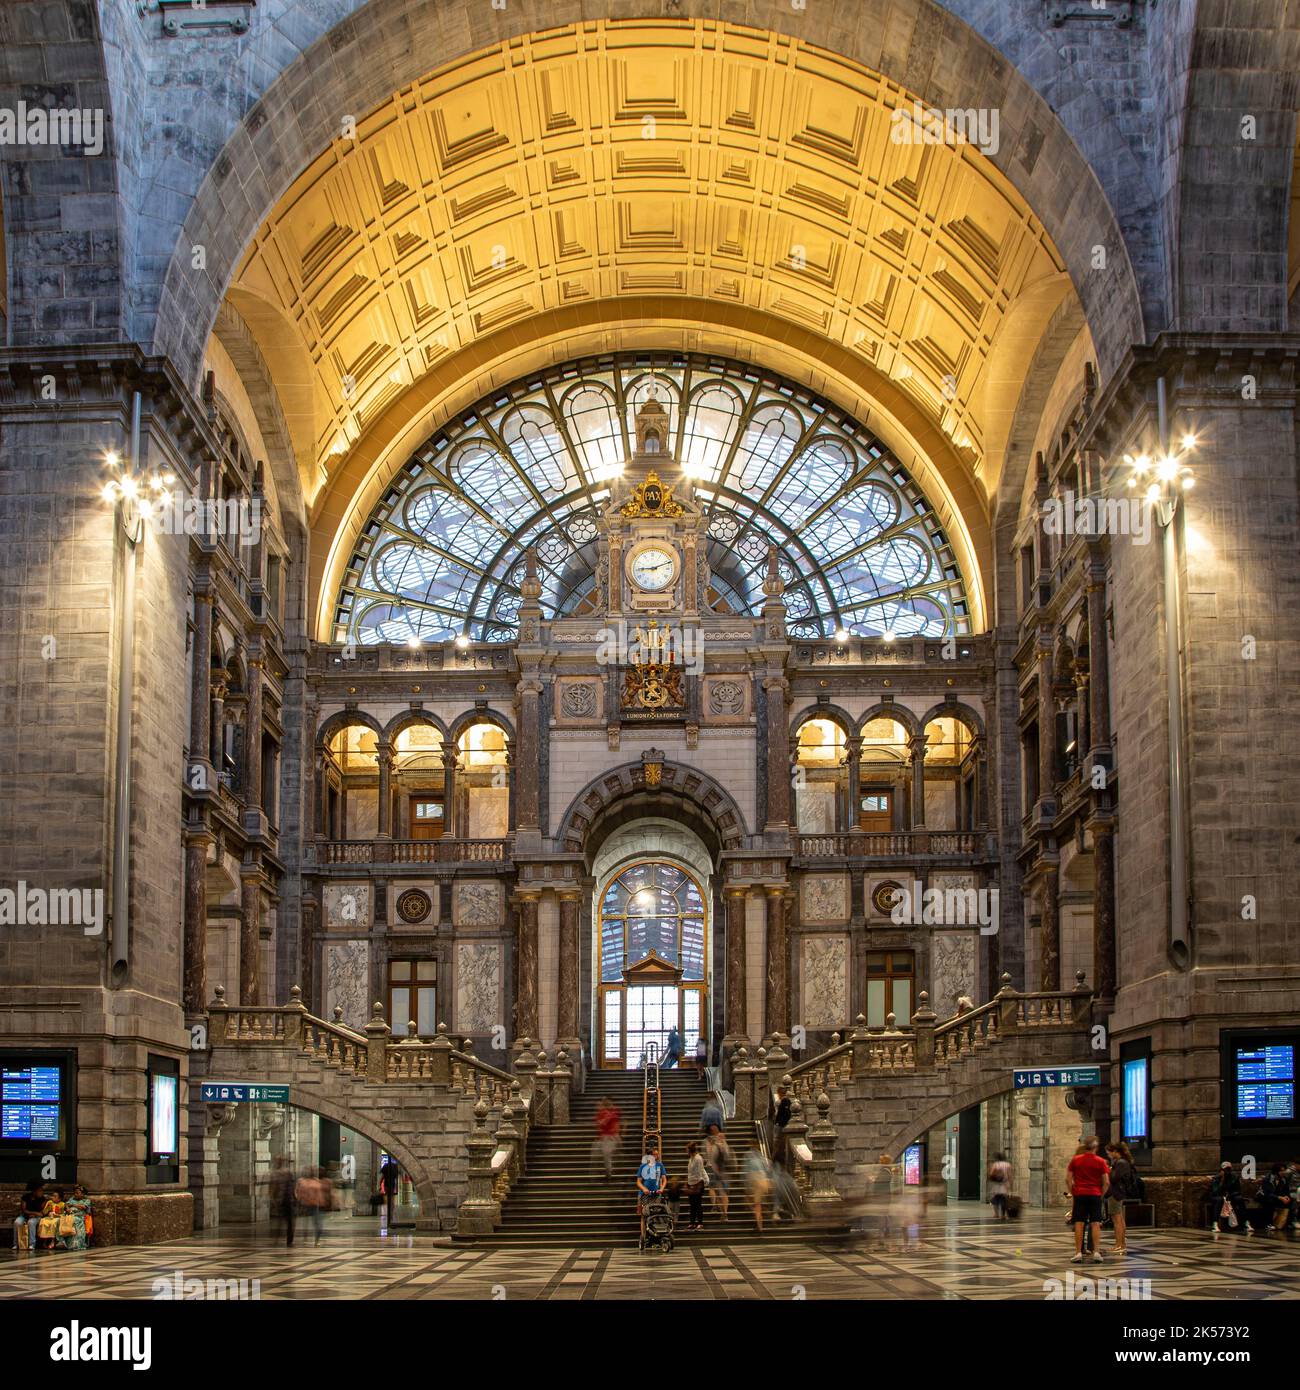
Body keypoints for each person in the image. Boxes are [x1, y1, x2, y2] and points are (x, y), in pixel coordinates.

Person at [1066, 1135, 1110, 1263]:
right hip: (1095, 1194)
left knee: (1079, 1223)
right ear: (1096, 1147)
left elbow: (1068, 1179)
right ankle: (1096, 1251)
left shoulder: (1076, 1160)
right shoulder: (1100, 1161)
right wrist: (1101, 1194)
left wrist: (1072, 1191)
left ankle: (1078, 1252)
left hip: (1080, 1194)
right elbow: (1106, 1182)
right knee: (1095, 1223)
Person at [1105, 1141, 1137, 1254]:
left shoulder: (1120, 1163)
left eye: (1109, 1152)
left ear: (1115, 1152)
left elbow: (1114, 1178)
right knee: (1119, 1219)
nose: (1108, 1154)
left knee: (1117, 1220)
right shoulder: (1121, 1162)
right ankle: (1121, 1244)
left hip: (1116, 1193)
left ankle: (1119, 1245)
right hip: (1118, 1192)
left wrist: (1108, 1170)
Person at [637, 1142, 667, 1244]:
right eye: (654, 1154)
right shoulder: (643, 1166)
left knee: (655, 1214)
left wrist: (662, 1188)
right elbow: (638, 1181)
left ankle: (655, 1236)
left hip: (656, 1193)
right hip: (644, 1194)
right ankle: (643, 1236)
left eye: (657, 1154)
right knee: (644, 1215)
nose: (656, 1156)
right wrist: (644, 1188)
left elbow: (664, 1179)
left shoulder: (660, 1165)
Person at [1210, 1160, 1247, 1233]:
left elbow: (1238, 1190)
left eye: (1229, 1169)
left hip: (1230, 1195)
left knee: (1239, 1199)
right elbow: (1215, 1192)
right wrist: (1222, 1180)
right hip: (1218, 1196)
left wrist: (1230, 1195)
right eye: (1225, 1170)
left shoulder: (1234, 1177)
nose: (1227, 1171)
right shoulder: (1216, 1178)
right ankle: (1215, 1224)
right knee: (1219, 1200)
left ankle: (1246, 1223)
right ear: (1221, 1170)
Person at [704, 1125, 731, 1221]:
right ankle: (725, 1213)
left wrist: (716, 1171)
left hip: (716, 1171)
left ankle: (721, 1210)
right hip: (724, 1172)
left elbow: (711, 1159)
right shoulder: (725, 1146)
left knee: (719, 1192)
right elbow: (728, 1157)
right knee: (724, 1192)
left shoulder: (713, 1145)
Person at [592, 1095, 622, 1180]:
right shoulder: (602, 1112)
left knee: (607, 1154)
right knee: (604, 1154)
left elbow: (615, 1122)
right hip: (605, 1136)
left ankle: (609, 1171)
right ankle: (607, 1171)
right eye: (602, 1100)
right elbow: (599, 1124)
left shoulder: (613, 1111)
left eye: (604, 1100)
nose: (603, 1102)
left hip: (611, 1136)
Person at [269, 1155, 297, 1247]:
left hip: (288, 1200)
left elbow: (292, 1186)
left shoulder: (287, 1173)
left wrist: (295, 1197)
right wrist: (273, 1198)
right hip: (282, 1200)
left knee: (288, 1221)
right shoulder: (276, 1173)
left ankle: (288, 1240)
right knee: (282, 1221)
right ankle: (280, 1239)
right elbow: (273, 1186)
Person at [744, 1147, 773, 1233]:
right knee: (758, 1204)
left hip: (755, 1181)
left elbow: (746, 1172)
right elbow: (769, 1168)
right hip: (764, 1182)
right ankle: (761, 1220)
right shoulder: (763, 1159)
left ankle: (759, 1226)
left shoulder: (749, 1158)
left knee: (755, 1205)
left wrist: (747, 1185)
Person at [1258, 1162, 1294, 1232]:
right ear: (1276, 1171)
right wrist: (1280, 1198)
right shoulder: (1268, 1179)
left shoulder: (1284, 1179)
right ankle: (1268, 1223)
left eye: (1284, 1170)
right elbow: (1267, 1193)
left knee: (1291, 1201)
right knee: (1269, 1201)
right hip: (1263, 1196)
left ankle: (1288, 1223)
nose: (1283, 1172)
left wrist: (1287, 1197)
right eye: (1281, 1171)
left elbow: (1286, 1190)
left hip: (1277, 1196)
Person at [57, 1186, 92, 1252]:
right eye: (75, 1193)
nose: (75, 1194)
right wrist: (67, 1208)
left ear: (82, 1194)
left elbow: (83, 1207)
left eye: (77, 1193)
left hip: (79, 1216)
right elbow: (66, 1204)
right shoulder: (72, 1198)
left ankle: (76, 1244)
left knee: (73, 1220)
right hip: (70, 1215)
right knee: (59, 1220)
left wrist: (73, 1205)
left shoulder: (86, 1200)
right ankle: (61, 1241)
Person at [684, 1142, 709, 1231]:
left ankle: (700, 1223)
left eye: (687, 1149)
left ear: (690, 1150)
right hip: (692, 1184)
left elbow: (698, 1174)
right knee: (692, 1205)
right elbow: (690, 1173)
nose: (685, 1150)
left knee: (698, 1204)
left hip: (698, 1184)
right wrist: (688, 1183)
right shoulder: (691, 1158)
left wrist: (694, 1186)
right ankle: (692, 1222)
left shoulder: (698, 1159)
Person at [987, 1152, 1012, 1220]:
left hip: (997, 1184)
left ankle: (996, 1214)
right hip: (1005, 1184)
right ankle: (1003, 1215)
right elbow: (1010, 1176)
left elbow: (991, 1174)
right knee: (1003, 1200)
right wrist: (1010, 1185)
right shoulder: (1008, 1165)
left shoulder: (996, 1164)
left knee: (995, 1199)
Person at [379, 1155, 400, 1229]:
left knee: (388, 1198)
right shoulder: (395, 1166)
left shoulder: (386, 1166)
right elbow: (397, 1176)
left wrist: (379, 1184)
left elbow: (382, 1176)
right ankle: (391, 1212)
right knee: (392, 1199)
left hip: (387, 1184)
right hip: (393, 1184)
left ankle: (388, 1213)